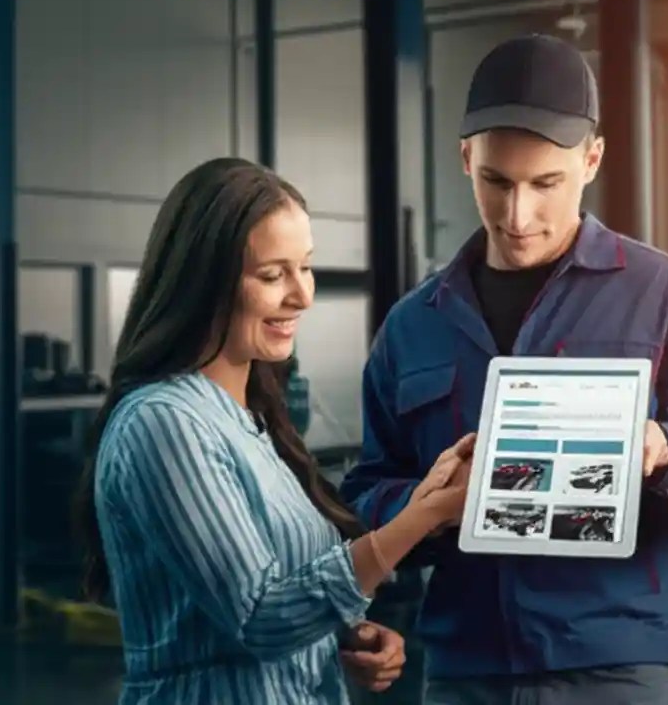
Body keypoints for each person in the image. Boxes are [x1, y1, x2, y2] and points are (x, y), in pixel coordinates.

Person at [339, 34, 668, 704]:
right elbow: (363, 497)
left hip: (614, 671)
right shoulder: (413, 327)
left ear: (592, 159)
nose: (517, 217)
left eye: (545, 183)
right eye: (496, 181)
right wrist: (426, 505)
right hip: (465, 674)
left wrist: (666, 450)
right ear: (466, 159)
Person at [72, 157, 475, 705]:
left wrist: (340, 636)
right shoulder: (164, 424)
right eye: (272, 274)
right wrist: (421, 518)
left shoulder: (249, 421)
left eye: (304, 267)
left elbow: (270, 606)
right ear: (204, 283)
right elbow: (259, 616)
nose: (302, 294)